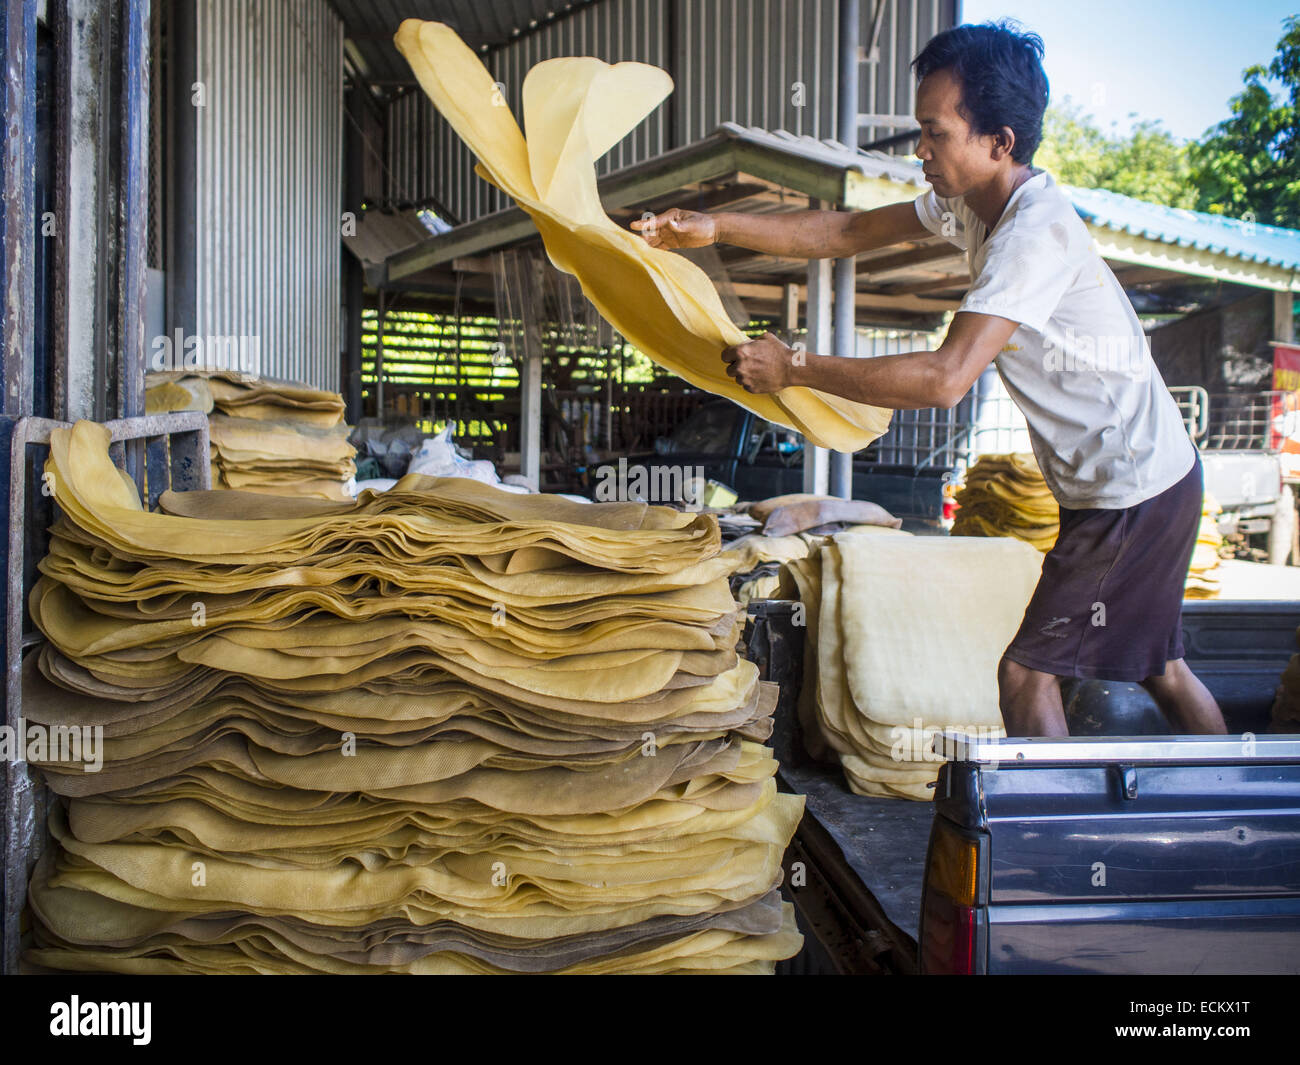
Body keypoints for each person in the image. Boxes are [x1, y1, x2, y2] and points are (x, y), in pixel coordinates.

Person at [631, 19, 1227, 739]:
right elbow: (847, 232)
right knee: (1159, 666)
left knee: (1024, 675)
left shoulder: (1032, 235)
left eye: (934, 133)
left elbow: (946, 377)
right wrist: (715, 227)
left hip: (1131, 493)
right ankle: (1241, 811)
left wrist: (795, 369)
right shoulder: (972, 204)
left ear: (998, 142)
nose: (919, 150)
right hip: (1142, 480)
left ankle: (1042, 843)